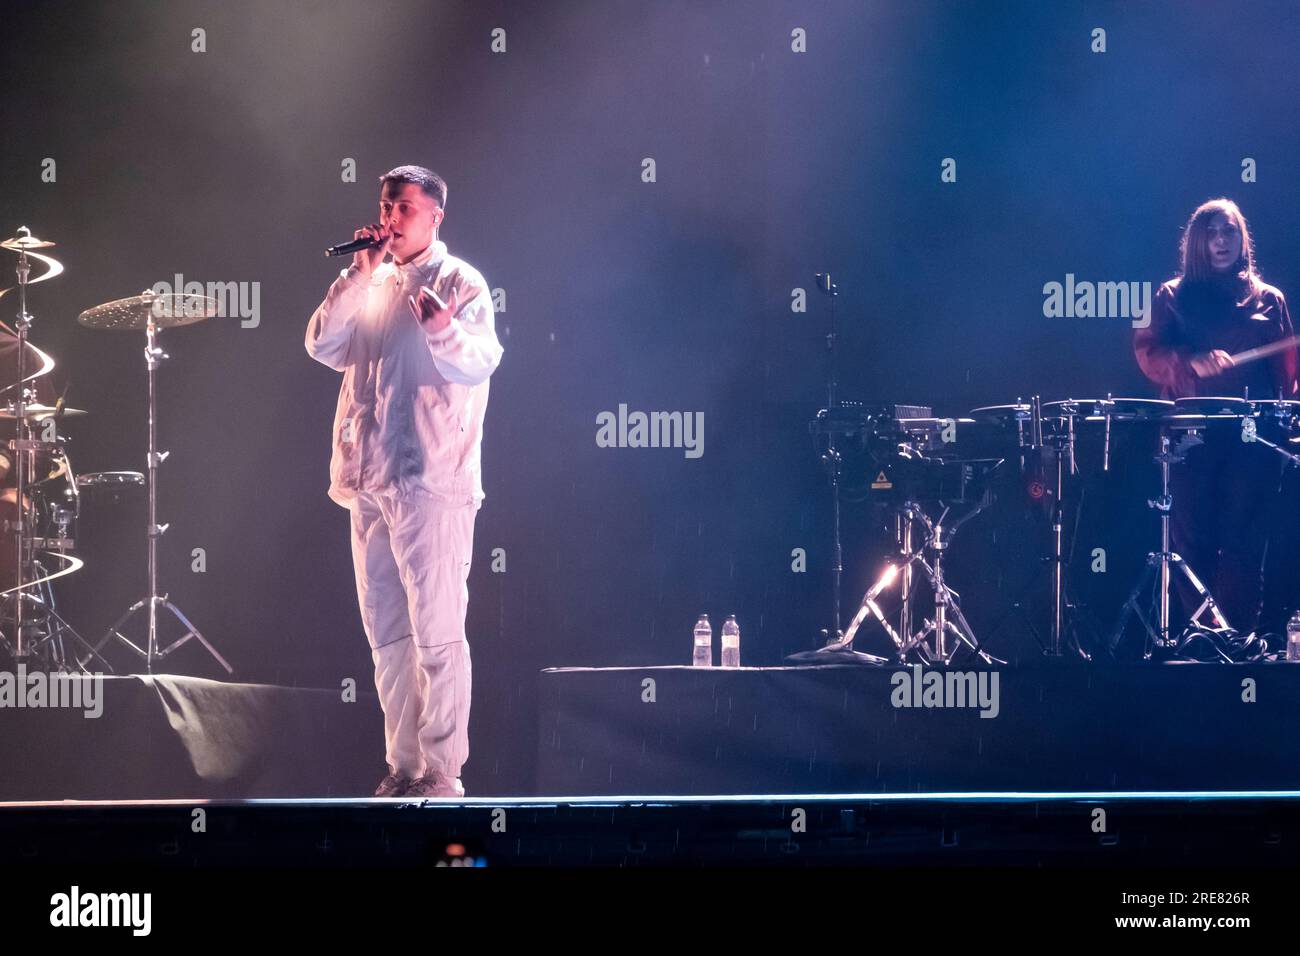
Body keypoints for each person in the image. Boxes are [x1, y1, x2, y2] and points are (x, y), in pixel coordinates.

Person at [305, 165, 503, 797]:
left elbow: (481, 360)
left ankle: (444, 773)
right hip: (367, 480)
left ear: (435, 216)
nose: (391, 217)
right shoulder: (372, 278)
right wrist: (358, 273)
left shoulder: (460, 280)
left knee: (438, 630)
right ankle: (405, 767)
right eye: (387, 204)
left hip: (431, 482)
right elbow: (321, 344)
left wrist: (443, 328)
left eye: (406, 208)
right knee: (387, 632)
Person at [1134, 197, 1296, 637]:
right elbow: (1148, 353)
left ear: (1243, 239)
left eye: (1230, 231)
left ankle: (1238, 640)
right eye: (1212, 232)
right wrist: (1190, 360)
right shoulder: (1169, 295)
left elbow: (1287, 379)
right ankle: (1205, 638)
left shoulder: (1269, 300)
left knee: (1244, 543)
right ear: (1196, 243)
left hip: (1252, 437)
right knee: (1191, 542)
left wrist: (1285, 428)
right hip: (1191, 434)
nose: (1222, 241)